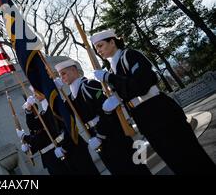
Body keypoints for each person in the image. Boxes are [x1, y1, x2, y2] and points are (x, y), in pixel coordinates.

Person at [90, 29, 216, 175]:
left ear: (112, 42)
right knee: (176, 163)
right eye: (96, 48)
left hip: (160, 112)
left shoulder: (130, 55)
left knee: (191, 157)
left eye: (100, 45)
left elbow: (142, 85)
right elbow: (127, 93)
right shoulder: (113, 69)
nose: (98, 51)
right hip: (144, 118)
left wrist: (110, 78)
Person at [54, 59, 151, 175]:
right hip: (97, 139)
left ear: (74, 70)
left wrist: (100, 135)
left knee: (134, 169)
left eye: (63, 73)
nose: (62, 77)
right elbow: (62, 115)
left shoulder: (89, 86)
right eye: (60, 75)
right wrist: (56, 93)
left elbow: (106, 112)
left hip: (112, 134)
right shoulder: (70, 98)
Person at [17, 86, 100, 175]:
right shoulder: (44, 112)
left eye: (36, 92)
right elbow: (33, 125)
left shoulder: (57, 105)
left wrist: (64, 148)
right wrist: (28, 110)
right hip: (65, 152)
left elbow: (68, 127)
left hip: (74, 146)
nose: (34, 96)